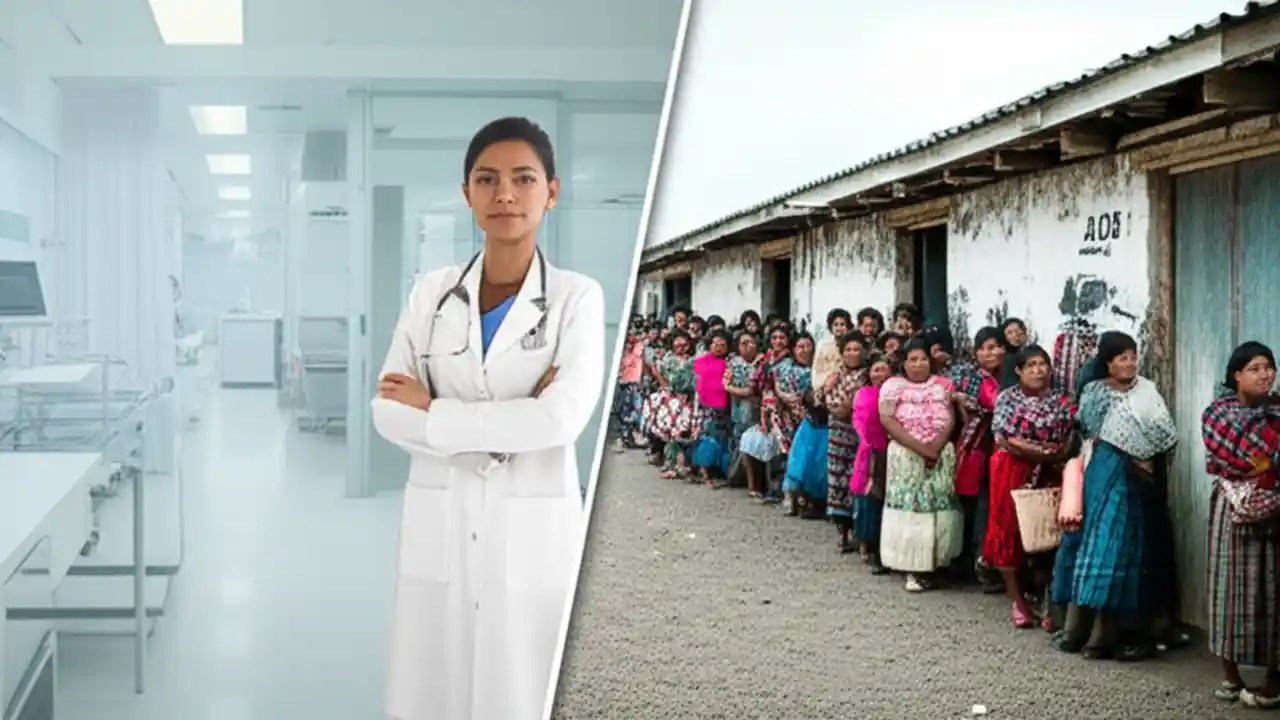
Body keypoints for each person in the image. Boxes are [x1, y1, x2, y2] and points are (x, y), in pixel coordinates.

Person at [372, 116, 604, 720]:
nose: (505, 194)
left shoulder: (577, 297)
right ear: (466, 193)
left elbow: (561, 421)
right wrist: (516, 420)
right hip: (441, 527)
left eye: (523, 178)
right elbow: (386, 411)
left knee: (522, 692)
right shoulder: (432, 293)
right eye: (487, 179)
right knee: (432, 691)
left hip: (530, 537)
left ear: (551, 192)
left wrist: (435, 412)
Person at [1051, 331, 1177, 660]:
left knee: (1126, 551)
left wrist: (1141, 453)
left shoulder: (1146, 390)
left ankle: (1104, 635)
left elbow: (1163, 432)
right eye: (1123, 358)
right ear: (1108, 363)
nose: (1130, 363)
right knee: (1102, 546)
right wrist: (1128, 448)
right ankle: (1086, 634)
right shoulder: (1095, 392)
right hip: (1105, 473)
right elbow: (1092, 430)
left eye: (1133, 357)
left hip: (1141, 478)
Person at [1201, 341, 1280, 708]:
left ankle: (1272, 678)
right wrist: (1265, 465)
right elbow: (1232, 462)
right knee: (1228, 589)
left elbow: (1257, 462)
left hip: (1274, 509)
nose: (1265, 375)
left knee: (1271, 590)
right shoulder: (1217, 415)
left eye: (1269, 367)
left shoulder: (1277, 412)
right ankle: (1231, 676)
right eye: (1254, 369)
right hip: (1231, 512)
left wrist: (1260, 466)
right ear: (1236, 375)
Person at [985, 344, 1076, 629]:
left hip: (1052, 468)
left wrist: (1054, 456)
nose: (1038, 371)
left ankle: (1049, 602)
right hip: (1012, 469)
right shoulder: (1007, 398)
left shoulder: (1061, 401)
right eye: (1031, 366)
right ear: (1019, 371)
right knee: (1009, 532)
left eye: (1042, 364)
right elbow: (1006, 437)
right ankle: (1018, 601)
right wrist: (1042, 452)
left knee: (1048, 533)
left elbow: (1070, 436)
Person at [878, 337, 963, 592]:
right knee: (912, 511)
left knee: (939, 508)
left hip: (940, 455)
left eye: (923, 359)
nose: (918, 364)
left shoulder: (943, 385)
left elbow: (950, 419)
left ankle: (938, 563)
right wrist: (921, 449)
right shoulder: (893, 386)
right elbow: (888, 419)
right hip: (907, 456)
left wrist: (936, 447)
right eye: (912, 360)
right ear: (904, 363)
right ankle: (912, 567)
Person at [951, 327, 1006, 593]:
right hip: (975, 446)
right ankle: (969, 560)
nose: (989, 353)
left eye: (994, 347)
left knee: (992, 505)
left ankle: (986, 562)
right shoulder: (966, 377)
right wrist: (956, 397)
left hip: (1003, 447)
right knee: (971, 504)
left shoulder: (1012, 376)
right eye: (983, 348)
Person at [739, 327, 799, 501]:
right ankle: (757, 487)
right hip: (766, 410)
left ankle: (781, 490)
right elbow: (754, 386)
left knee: (782, 448)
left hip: (785, 412)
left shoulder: (791, 362)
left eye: (782, 337)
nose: (778, 341)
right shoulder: (765, 361)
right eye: (774, 337)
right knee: (752, 442)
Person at [823, 333, 868, 550]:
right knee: (836, 481)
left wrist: (845, 404)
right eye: (848, 350)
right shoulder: (835, 375)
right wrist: (827, 391)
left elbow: (848, 406)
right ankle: (842, 532)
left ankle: (860, 533)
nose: (852, 354)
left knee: (857, 479)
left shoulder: (866, 376)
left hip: (858, 436)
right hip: (836, 436)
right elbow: (825, 400)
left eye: (856, 349)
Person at [852, 352, 893, 572]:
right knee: (868, 499)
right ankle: (866, 543)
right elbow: (859, 422)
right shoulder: (863, 394)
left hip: (892, 450)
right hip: (869, 452)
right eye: (876, 369)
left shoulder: (896, 392)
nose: (880, 374)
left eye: (884, 369)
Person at [782, 332, 826, 518]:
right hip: (795, 416)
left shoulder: (821, 370)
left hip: (820, 419)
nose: (805, 350)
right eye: (801, 347)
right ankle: (792, 496)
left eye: (809, 346)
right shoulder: (787, 370)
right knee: (799, 460)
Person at [647, 330, 698, 479]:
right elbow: (661, 376)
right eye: (677, 343)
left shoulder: (693, 361)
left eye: (684, 343)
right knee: (671, 431)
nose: (681, 347)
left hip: (689, 399)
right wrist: (669, 391)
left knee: (684, 431)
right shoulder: (667, 360)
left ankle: (682, 463)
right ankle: (671, 463)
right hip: (670, 398)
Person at [691, 330, 733, 488]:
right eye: (716, 344)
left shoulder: (729, 363)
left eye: (723, 344)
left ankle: (717, 471)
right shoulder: (699, 361)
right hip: (703, 406)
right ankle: (704, 472)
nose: (719, 347)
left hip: (723, 407)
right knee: (705, 437)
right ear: (710, 345)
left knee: (721, 439)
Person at [723, 331, 763, 487]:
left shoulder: (762, 362)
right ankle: (738, 476)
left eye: (750, 342)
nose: (747, 347)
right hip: (737, 409)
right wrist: (740, 391)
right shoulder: (733, 363)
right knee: (737, 439)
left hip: (756, 410)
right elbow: (726, 384)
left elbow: (753, 390)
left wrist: (734, 390)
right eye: (743, 343)